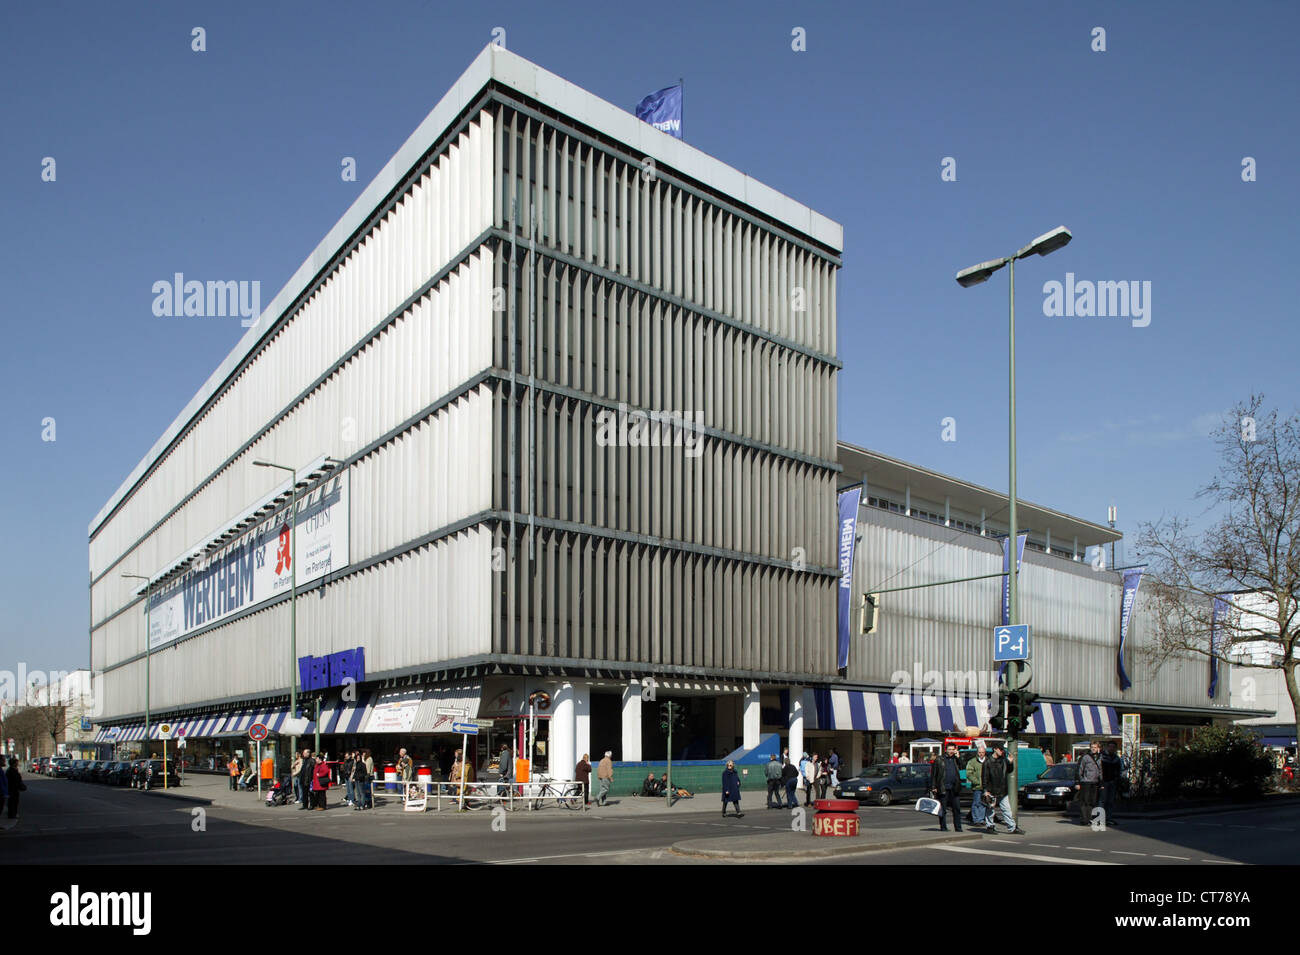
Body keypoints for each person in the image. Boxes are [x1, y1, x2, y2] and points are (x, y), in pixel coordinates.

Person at [983, 743, 1020, 834]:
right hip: (992, 789)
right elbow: (984, 777)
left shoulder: (1003, 760)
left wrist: (1010, 762)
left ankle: (1012, 827)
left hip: (1003, 789)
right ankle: (990, 826)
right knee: (990, 810)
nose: (1002, 751)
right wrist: (986, 790)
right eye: (1000, 749)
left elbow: (1009, 770)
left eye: (1002, 750)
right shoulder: (987, 761)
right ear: (995, 749)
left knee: (1007, 809)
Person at [929, 742, 964, 832]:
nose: (951, 751)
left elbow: (962, 766)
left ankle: (958, 827)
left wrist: (959, 757)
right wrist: (933, 786)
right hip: (943, 787)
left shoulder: (955, 759)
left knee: (957, 809)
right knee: (943, 809)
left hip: (954, 788)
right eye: (949, 749)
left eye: (953, 749)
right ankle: (943, 827)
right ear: (946, 750)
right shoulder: (939, 759)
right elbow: (934, 774)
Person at [1075, 740, 1103, 827]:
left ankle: (1091, 818)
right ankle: (1084, 819)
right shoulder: (1085, 757)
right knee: (1085, 801)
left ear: (1098, 748)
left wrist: (1102, 783)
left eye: (1095, 747)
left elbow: (1101, 771)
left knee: (1093, 801)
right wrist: (1077, 782)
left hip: (1095, 782)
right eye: (1092, 747)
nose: (1093, 749)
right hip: (1086, 782)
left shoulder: (1101, 757)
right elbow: (1079, 769)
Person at [966, 742, 988, 831]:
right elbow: (969, 773)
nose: (981, 754)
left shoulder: (988, 761)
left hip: (986, 787)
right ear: (977, 752)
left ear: (985, 752)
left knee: (984, 803)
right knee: (976, 803)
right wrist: (977, 781)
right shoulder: (972, 761)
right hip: (977, 786)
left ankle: (981, 819)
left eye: (982, 752)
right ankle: (976, 820)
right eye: (979, 752)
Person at [1100, 741, 1123, 826]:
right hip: (1104, 782)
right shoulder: (1102, 757)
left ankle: (1109, 818)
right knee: (1103, 801)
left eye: (1113, 747)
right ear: (1107, 747)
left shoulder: (1116, 758)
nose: (1111, 749)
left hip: (1112, 781)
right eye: (1110, 747)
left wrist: (1117, 778)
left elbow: (1119, 770)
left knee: (1110, 801)